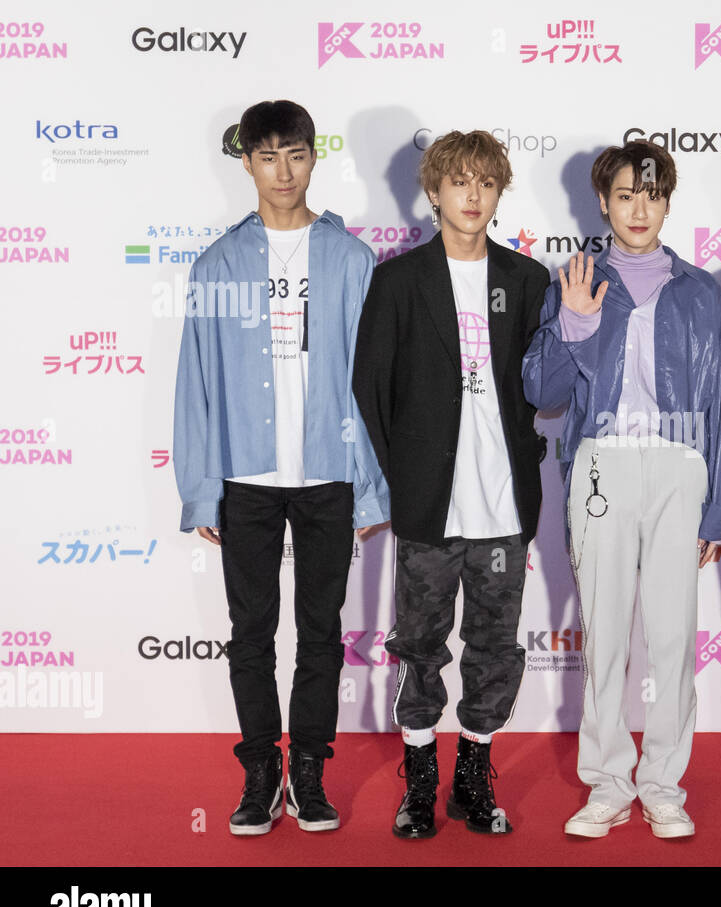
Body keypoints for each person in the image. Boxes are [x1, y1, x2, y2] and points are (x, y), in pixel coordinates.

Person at [174, 100, 389, 836]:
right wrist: (201, 489)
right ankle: (261, 769)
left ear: (312, 157)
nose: (283, 171)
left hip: (329, 472)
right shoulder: (219, 264)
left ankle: (310, 771)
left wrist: (369, 486)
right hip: (246, 476)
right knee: (251, 631)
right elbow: (195, 385)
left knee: (322, 631)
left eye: (295, 154)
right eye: (268, 156)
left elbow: (370, 387)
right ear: (247, 163)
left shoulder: (352, 260)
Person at [522, 141, 721, 839]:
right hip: (602, 466)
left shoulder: (702, 292)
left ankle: (663, 785)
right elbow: (542, 392)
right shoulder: (579, 279)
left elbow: (718, 402)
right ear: (604, 204)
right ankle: (609, 783)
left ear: (668, 201)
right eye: (624, 195)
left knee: (675, 637)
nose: (638, 208)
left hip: (680, 467)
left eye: (651, 195)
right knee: (607, 634)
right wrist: (575, 323)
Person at [352, 130, 549, 839]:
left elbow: (546, 385)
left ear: (499, 193)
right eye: (457, 181)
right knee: (420, 646)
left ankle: (474, 776)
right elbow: (370, 389)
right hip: (429, 509)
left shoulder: (527, 281)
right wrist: (394, 480)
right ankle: (419, 785)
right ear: (432, 191)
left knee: (496, 648)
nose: (472, 195)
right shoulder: (399, 281)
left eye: (485, 182)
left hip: (503, 507)